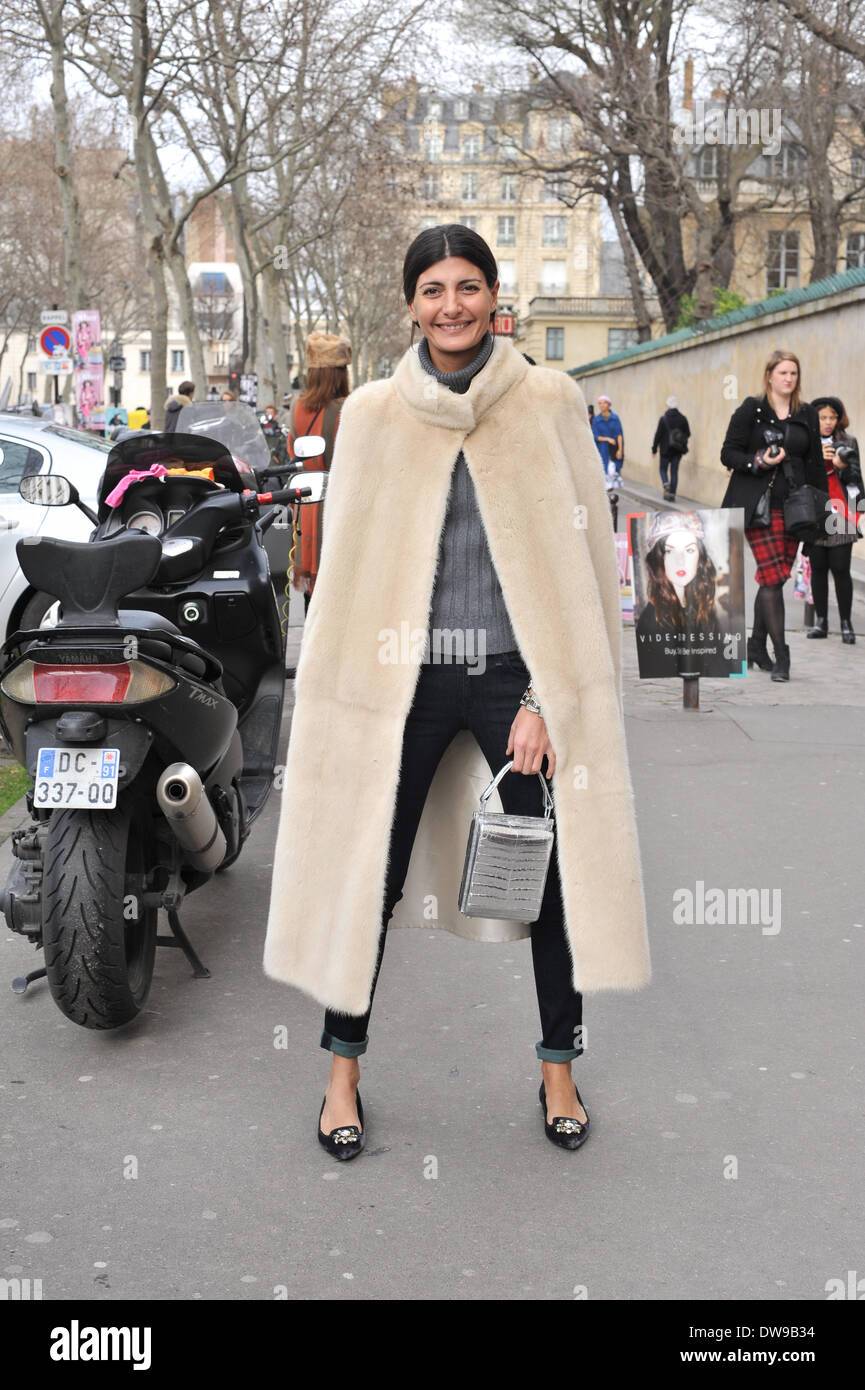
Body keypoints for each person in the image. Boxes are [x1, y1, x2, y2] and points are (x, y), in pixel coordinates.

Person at [262, 224, 650, 1159]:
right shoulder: (375, 416)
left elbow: (580, 561)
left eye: (467, 286)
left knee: (549, 877)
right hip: (403, 680)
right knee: (370, 874)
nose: (451, 305)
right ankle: (341, 1076)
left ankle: (558, 1067)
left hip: (518, 682)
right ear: (409, 304)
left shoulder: (549, 401)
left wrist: (550, 696)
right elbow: (346, 566)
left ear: (492, 294)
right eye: (432, 289)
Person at [720, 349, 825, 681]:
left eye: (793, 373)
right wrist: (759, 461)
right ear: (769, 375)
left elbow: (816, 465)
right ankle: (782, 657)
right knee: (770, 577)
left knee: (776, 578)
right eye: (783, 373)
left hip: (796, 508)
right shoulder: (751, 410)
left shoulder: (806, 413)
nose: (789, 379)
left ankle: (754, 646)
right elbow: (728, 452)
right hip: (760, 507)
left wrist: (824, 513)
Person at [288, 332, 351, 613]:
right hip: (339, 506)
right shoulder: (348, 409)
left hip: (306, 505)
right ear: (339, 374)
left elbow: (293, 454)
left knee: (313, 598)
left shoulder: (298, 408)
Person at [634, 511, 731, 677]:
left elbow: (720, 665)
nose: (680, 560)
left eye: (689, 550)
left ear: (700, 558)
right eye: (670, 551)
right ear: (659, 558)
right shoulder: (652, 620)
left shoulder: (704, 611)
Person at [804, 395, 863, 644]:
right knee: (818, 568)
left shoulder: (848, 441)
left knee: (840, 568)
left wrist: (840, 465)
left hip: (841, 511)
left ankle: (846, 623)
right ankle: (821, 622)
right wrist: (820, 458)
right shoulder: (806, 442)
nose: (828, 422)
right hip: (815, 511)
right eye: (823, 417)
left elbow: (857, 480)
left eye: (832, 417)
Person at [651, 396, 691, 501]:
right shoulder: (683, 419)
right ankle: (672, 494)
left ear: (668, 405)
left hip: (664, 449)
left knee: (663, 469)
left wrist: (654, 449)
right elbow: (688, 434)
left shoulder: (664, 418)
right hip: (677, 449)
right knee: (674, 471)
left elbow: (658, 435)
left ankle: (665, 483)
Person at [591, 394, 624, 486]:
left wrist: (620, 450)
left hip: (613, 450)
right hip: (602, 450)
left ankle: (610, 496)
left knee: (613, 476)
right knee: (604, 476)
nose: (601, 405)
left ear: (609, 404)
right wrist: (608, 439)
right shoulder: (596, 420)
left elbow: (619, 435)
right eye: (600, 403)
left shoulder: (615, 418)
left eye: (604, 403)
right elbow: (595, 436)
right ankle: (606, 497)